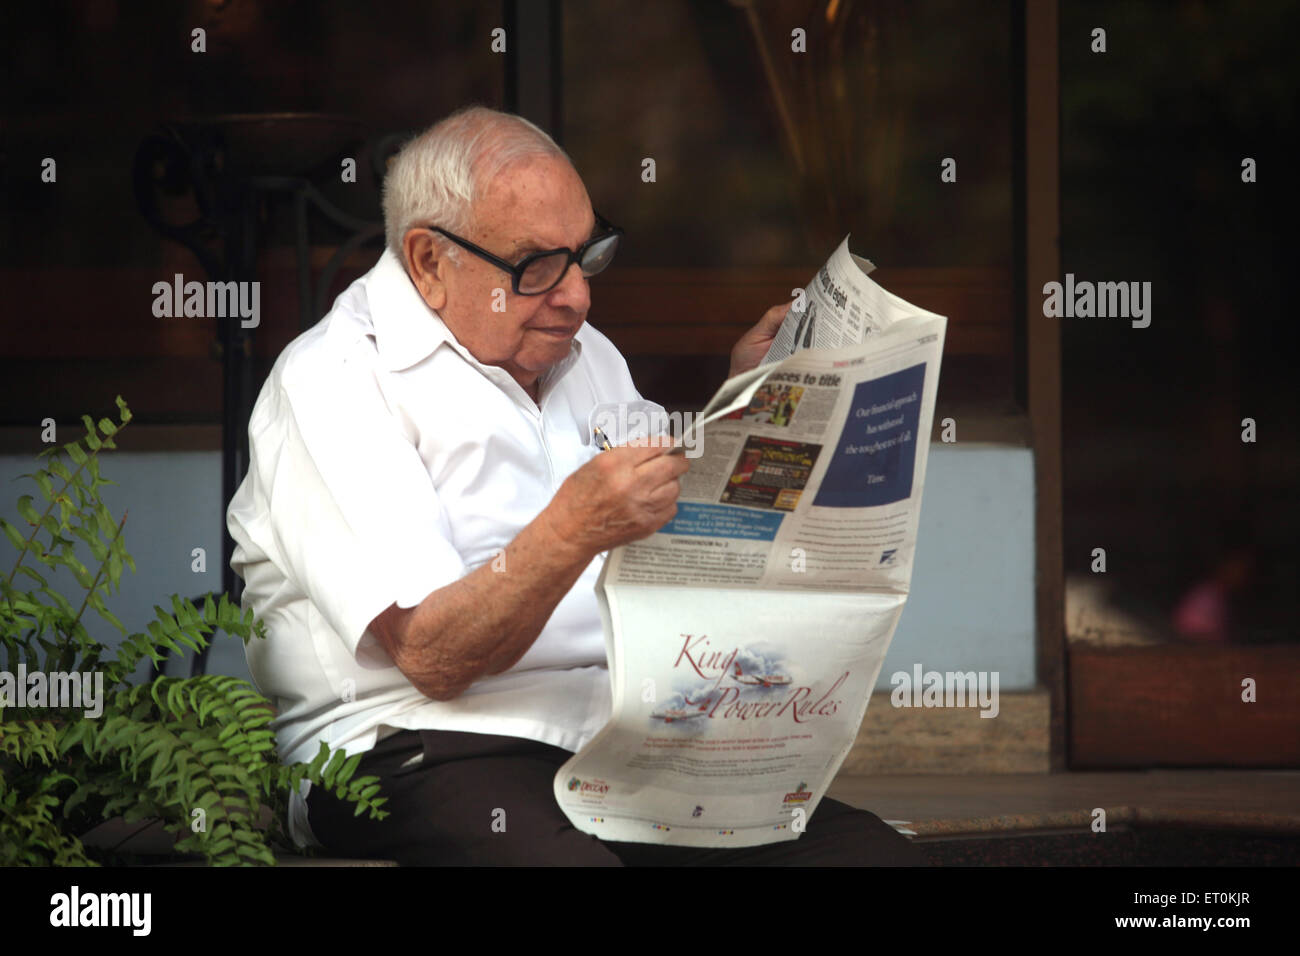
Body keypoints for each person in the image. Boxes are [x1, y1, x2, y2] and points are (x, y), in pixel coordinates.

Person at [226, 105, 925, 866]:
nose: (577, 298)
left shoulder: (579, 353)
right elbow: (432, 657)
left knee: (868, 855)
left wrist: (751, 404)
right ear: (429, 262)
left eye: (585, 255)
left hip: (614, 737)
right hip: (416, 747)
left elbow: (665, 516)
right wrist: (568, 530)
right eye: (534, 266)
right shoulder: (334, 381)